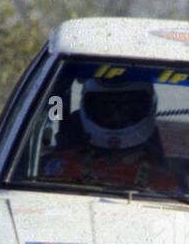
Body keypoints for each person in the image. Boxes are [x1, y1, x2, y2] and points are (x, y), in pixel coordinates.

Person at [39, 77, 181, 192]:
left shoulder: (161, 178)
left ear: (147, 106)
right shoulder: (60, 164)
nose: (115, 115)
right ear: (87, 106)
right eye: (105, 107)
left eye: (126, 108)